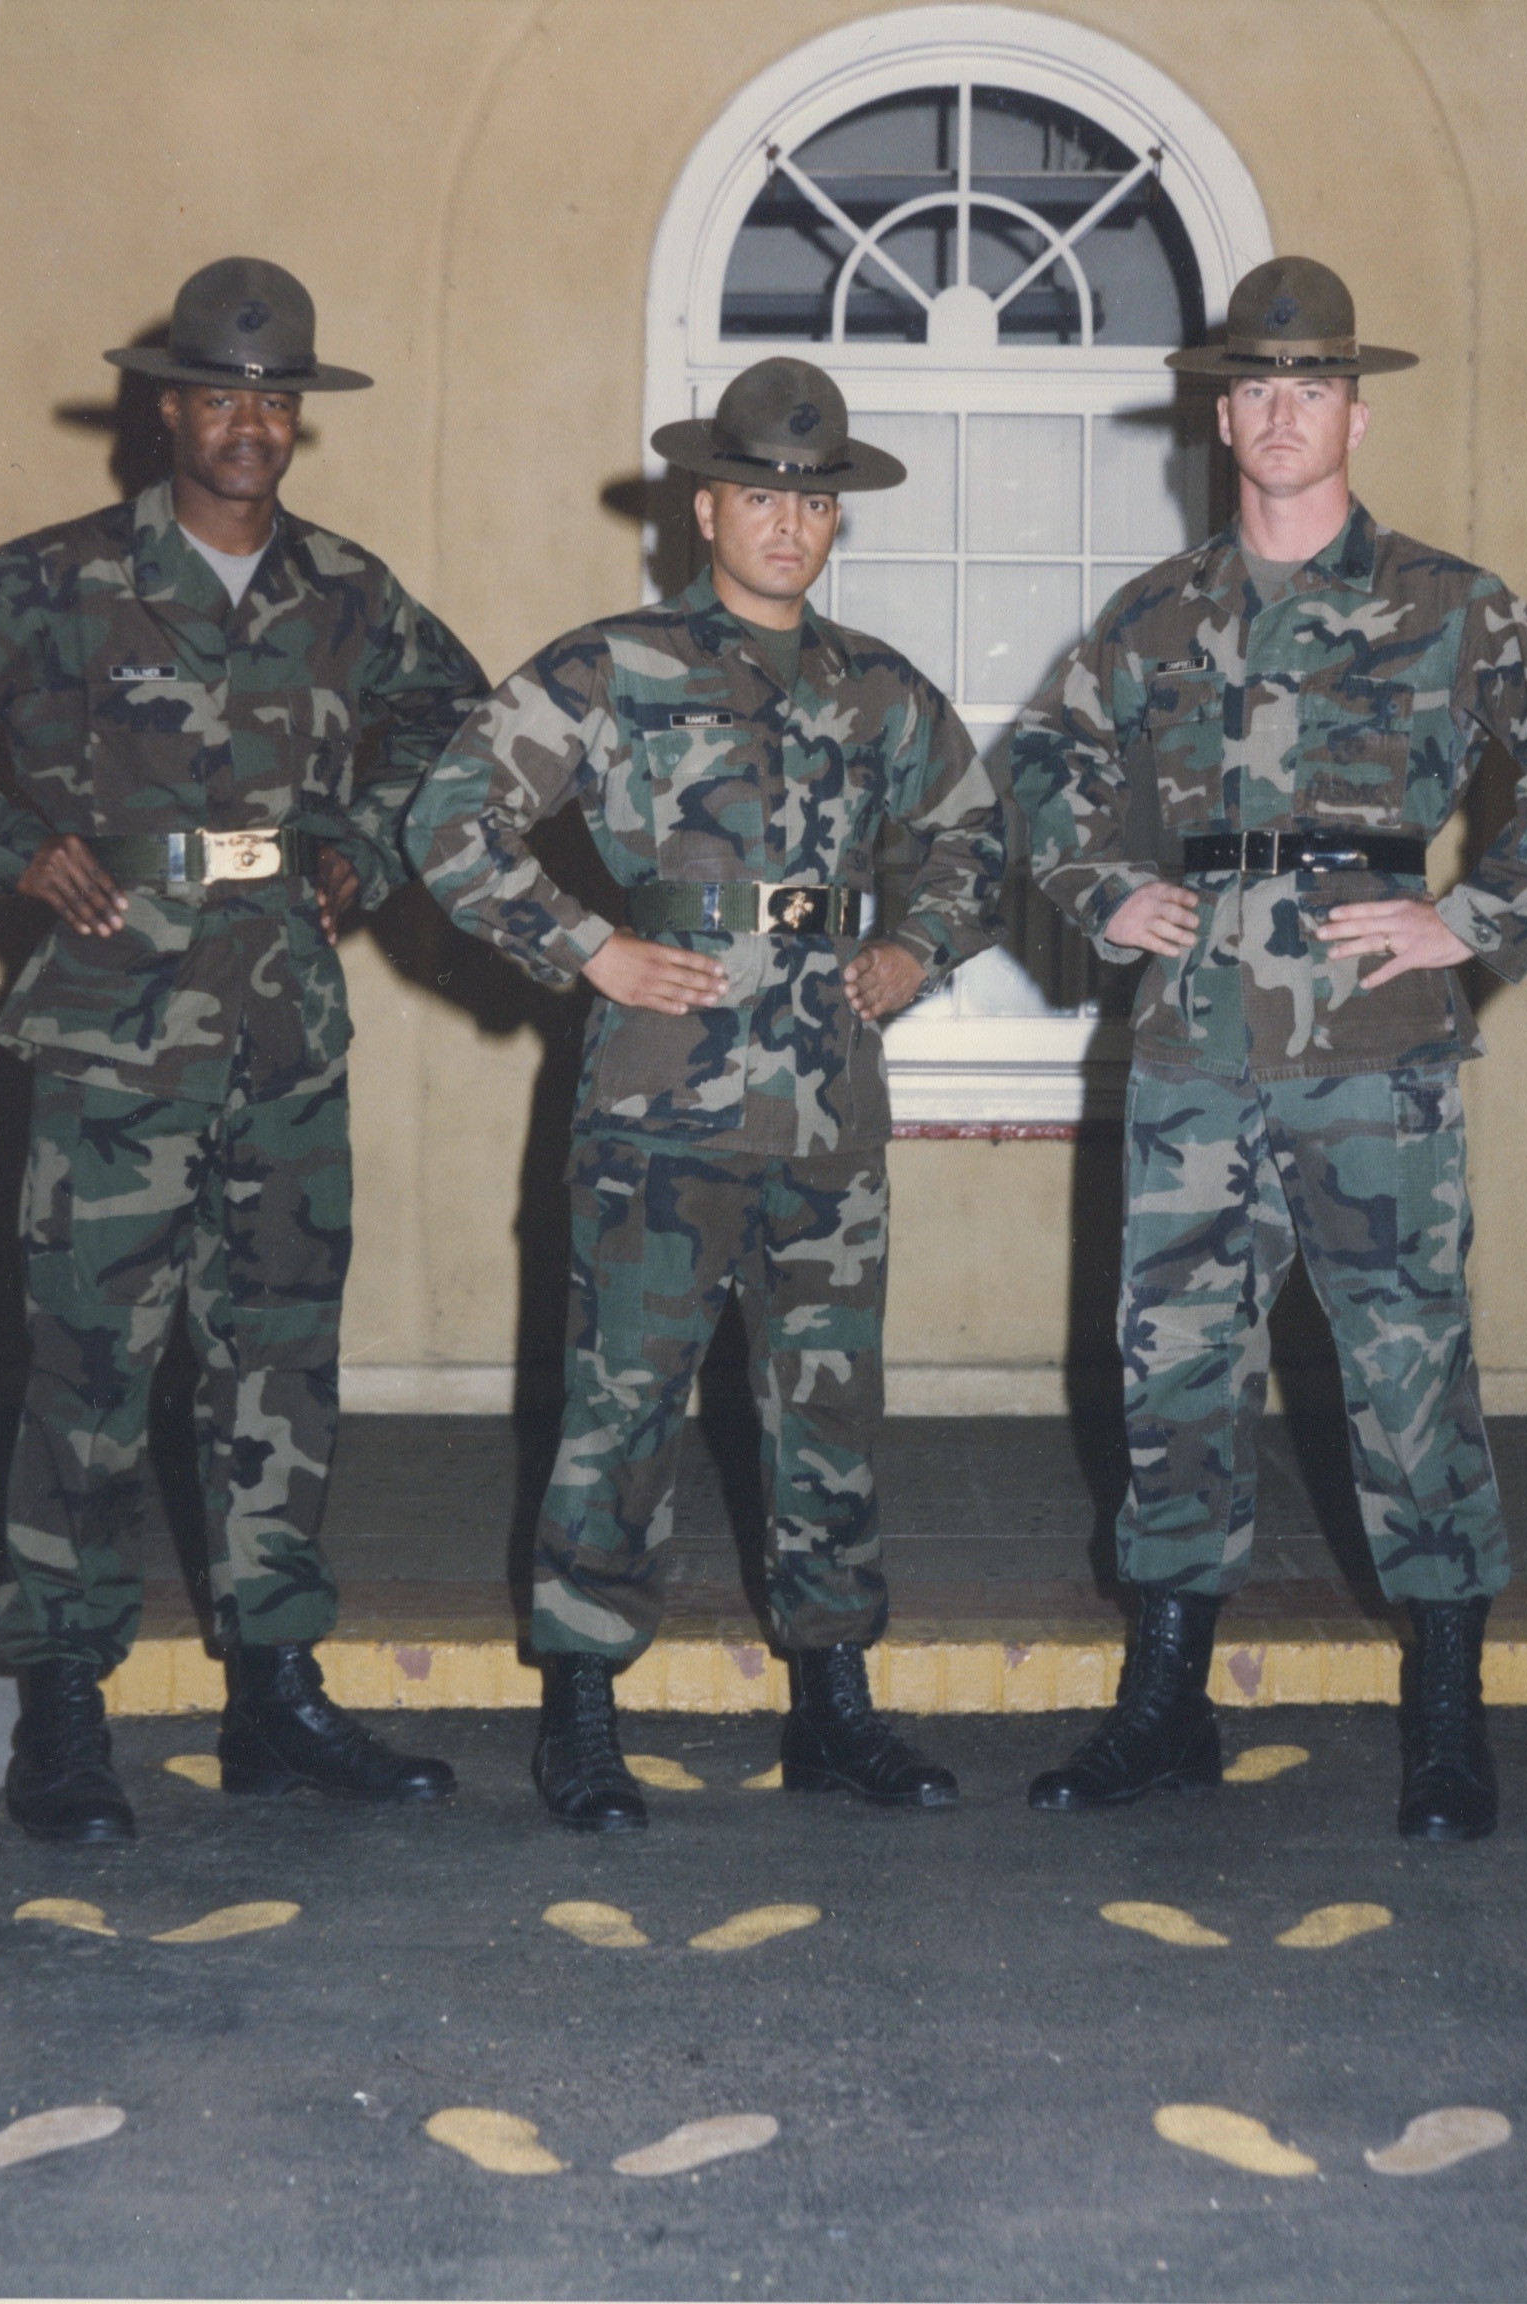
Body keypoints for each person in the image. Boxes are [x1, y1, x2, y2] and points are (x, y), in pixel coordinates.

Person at [0, 258, 484, 1843]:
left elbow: (460, 727)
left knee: (278, 1368)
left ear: (296, 420)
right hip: (111, 1032)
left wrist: (370, 850)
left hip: (285, 1031)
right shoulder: (57, 584)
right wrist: (1, 845)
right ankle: (60, 1706)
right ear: (167, 405)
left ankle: (275, 1695)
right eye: (220, 394)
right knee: (88, 1373)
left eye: (276, 400)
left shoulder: (350, 594)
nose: (249, 423)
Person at [1011, 257, 1527, 1841]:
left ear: (1356, 410)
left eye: (1312, 387)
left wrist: (1481, 915)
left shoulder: (1451, 603)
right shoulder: (1152, 616)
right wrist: (1105, 886)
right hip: (1193, 1050)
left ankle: (1446, 1717)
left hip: (1377, 1051)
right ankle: (1165, 1705)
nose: (1282, 412)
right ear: (1223, 414)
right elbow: (1036, 764)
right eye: (1256, 388)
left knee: (1407, 1368)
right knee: (1172, 1379)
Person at [405, 357, 1003, 1833]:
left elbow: (977, 841)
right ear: (707, 504)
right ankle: (587, 1710)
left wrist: (917, 944)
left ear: (836, 518)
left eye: (812, 499)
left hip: (826, 1109)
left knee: (829, 1414)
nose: (787, 524)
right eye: (759, 495)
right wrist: (587, 943)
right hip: (659, 1108)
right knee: (624, 1406)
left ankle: (835, 1704)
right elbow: (447, 814)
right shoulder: (611, 670)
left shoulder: (881, 691)